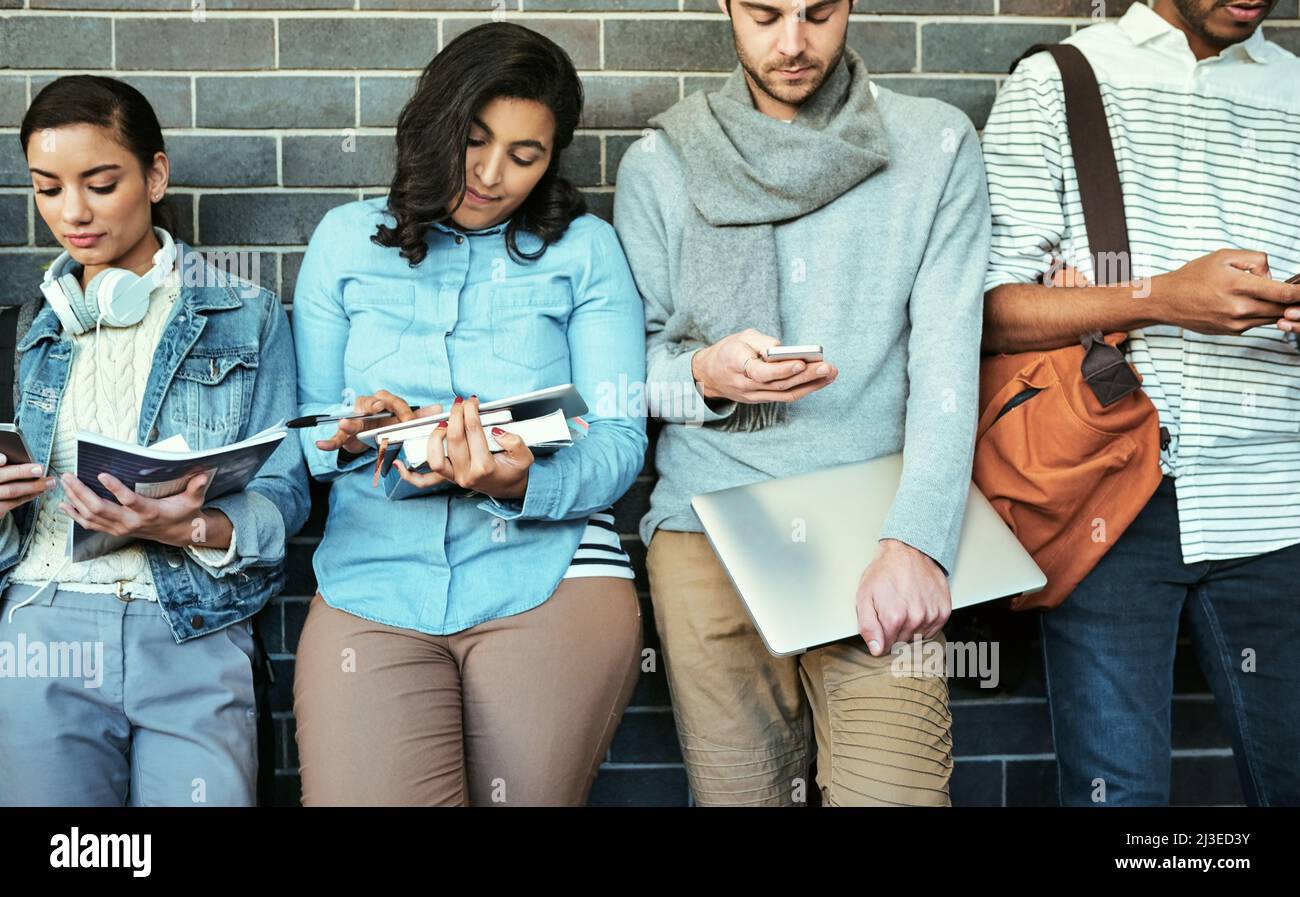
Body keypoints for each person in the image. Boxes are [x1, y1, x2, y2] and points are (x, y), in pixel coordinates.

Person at [614, 0, 990, 806]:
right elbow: (628, 373)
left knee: (898, 793)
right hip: (708, 526)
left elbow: (949, 365)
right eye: (764, 13)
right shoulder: (661, 161)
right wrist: (706, 374)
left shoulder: (936, 143)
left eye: (818, 13)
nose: (792, 42)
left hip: (875, 528)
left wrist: (917, 541)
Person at [291, 22, 648, 807]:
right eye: (475, 141)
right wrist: (351, 432)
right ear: (436, 124)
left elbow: (620, 439)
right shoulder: (345, 242)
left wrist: (520, 481)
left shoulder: (584, 250)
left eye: (526, 155)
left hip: (554, 575)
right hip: (373, 585)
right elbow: (308, 434)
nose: (492, 175)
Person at [981, 0, 1300, 806]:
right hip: (1106, 496)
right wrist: (1157, 298)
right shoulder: (1059, 82)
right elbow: (989, 310)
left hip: (1279, 502)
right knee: (1114, 798)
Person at [0, 75, 308, 807]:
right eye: (47, 189)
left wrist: (197, 523)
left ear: (155, 174)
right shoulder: (17, 333)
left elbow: (286, 489)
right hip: (41, 626)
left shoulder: (248, 313)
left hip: (195, 624)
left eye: (100, 183)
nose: (72, 212)